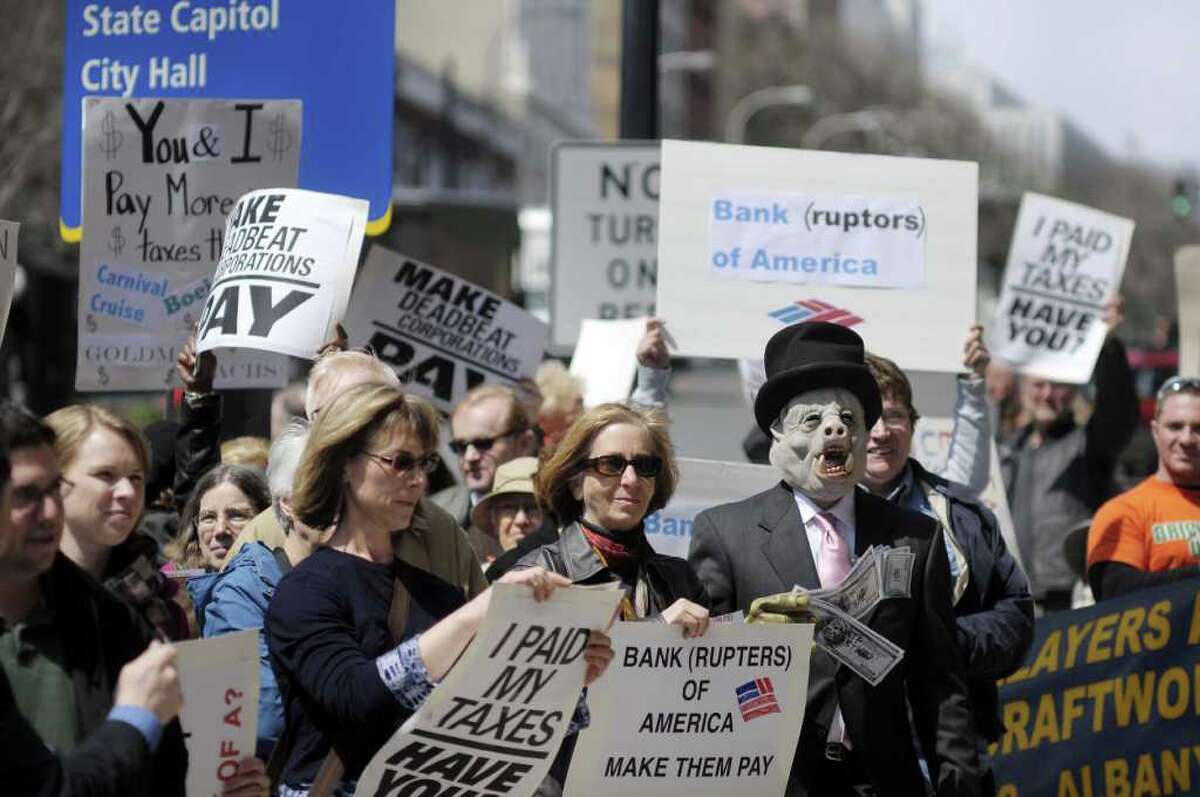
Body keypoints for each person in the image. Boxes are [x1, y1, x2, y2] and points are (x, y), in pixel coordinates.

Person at [265, 384, 613, 795]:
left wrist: (565, 678)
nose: (416, 481)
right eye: (400, 463)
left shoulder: (437, 594)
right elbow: (357, 699)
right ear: (343, 463)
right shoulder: (304, 592)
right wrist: (481, 610)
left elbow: (492, 725)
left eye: (424, 464)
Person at [689, 322, 981, 797]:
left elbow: (939, 685)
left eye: (848, 417)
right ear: (777, 435)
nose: (835, 429)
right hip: (777, 783)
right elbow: (702, 676)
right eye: (812, 421)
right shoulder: (726, 534)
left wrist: (959, 785)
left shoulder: (915, 538)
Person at [515, 402, 709, 792]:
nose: (631, 479)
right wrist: (655, 634)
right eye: (611, 465)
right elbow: (523, 705)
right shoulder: (537, 576)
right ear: (575, 480)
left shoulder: (678, 578)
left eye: (646, 465)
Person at [862, 351, 1034, 792]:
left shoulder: (959, 515)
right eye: (867, 417)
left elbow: (1014, 615)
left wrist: (942, 644)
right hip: (849, 755)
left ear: (914, 424)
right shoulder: (804, 519)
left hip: (950, 748)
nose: (881, 433)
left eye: (894, 416)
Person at [0, 402, 188, 795]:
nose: (50, 511)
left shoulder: (113, 620)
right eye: (27, 495)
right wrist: (134, 720)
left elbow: (164, 773)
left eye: (54, 489)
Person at [223, 349, 487, 600]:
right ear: (315, 426)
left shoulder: (440, 531)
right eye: (349, 419)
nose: (363, 434)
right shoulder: (265, 537)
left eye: (382, 418)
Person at [999, 298, 1139, 612]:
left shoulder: (1087, 446)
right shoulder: (1006, 451)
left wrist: (1109, 346)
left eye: (1059, 384)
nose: (1048, 394)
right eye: (1039, 383)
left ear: (1074, 389)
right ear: (1023, 386)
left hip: (1070, 606)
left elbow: (1119, 413)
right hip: (1012, 606)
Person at [203, 422, 319, 759]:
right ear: (288, 503)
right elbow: (254, 730)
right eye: (322, 485)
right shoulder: (242, 593)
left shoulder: (372, 574)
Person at [45, 405, 189, 640]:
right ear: (52, 480)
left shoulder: (162, 603)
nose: (128, 492)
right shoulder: (18, 598)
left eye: (135, 477)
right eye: (105, 475)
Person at [1087, 375, 1200, 600]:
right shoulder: (1123, 512)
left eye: (1198, 428)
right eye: (1175, 426)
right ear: (1155, 431)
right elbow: (1114, 593)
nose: (1186, 439)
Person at [432, 384, 539, 564]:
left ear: (524, 443)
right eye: (460, 447)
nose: (470, 457)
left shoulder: (558, 510)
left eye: (483, 444)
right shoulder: (431, 514)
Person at [164, 464, 271, 635]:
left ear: (265, 520)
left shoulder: (285, 589)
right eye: (208, 518)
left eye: (237, 515)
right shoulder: (169, 592)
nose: (220, 530)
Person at [470, 456, 546, 554]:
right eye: (509, 508)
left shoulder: (568, 566)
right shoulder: (476, 566)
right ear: (494, 519)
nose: (521, 520)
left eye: (533, 507)